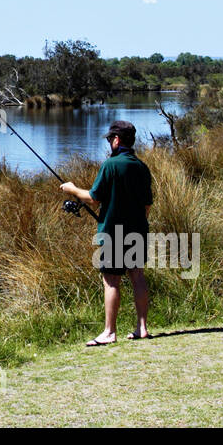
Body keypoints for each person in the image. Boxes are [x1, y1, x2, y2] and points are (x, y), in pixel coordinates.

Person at [60, 119, 153, 346]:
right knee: (137, 275)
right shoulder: (141, 167)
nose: (110, 142)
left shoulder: (110, 166)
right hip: (138, 229)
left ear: (117, 140)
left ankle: (110, 332)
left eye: (111, 138)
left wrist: (71, 188)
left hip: (113, 232)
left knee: (111, 280)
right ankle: (142, 327)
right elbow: (147, 205)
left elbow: (93, 198)